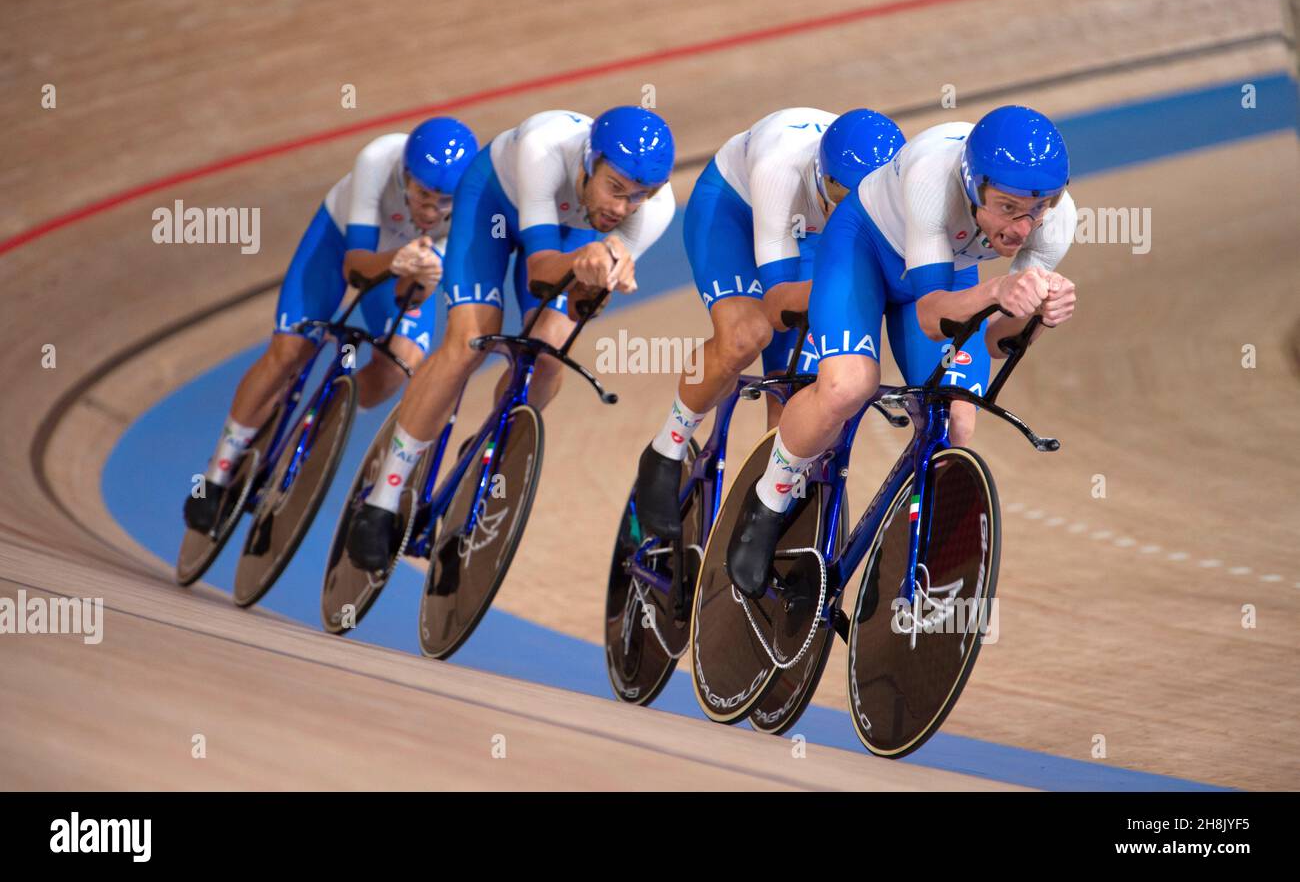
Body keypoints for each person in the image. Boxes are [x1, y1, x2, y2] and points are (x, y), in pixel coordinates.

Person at [725, 105, 1079, 598]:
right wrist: (999, 290)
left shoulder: (1056, 221)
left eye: (1037, 209)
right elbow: (931, 317)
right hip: (867, 248)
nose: (1023, 228)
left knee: (958, 419)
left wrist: (1039, 315)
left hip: (945, 267)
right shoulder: (932, 176)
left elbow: (998, 343)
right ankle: (767, 499)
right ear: (973, 184)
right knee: (849, 385)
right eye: (1007, 207)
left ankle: (898, 548)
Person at [345, 106, 677, 570]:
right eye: (615, 189)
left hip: (566, 239)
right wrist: (588, 256)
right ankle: (384, 497)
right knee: (468, 344)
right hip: (494, 205)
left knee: (548, 357)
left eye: (637, 197)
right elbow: (541, 272)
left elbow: (582, 306)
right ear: (588, 162)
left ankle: (486, 445)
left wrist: (595, 286)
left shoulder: (656, 211)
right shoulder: (544, 149)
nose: (622, 209)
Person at [182, 117, 477, 533]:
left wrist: (421, 276)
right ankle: (217, 471)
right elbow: (355, 267)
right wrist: (395, 261)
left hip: (405, 260)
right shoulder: (377, 159)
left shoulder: (472, 207)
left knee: (400, 364)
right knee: (291, 350)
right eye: (422, 195)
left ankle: (324, 422)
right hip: (342, 240)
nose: (430, 211)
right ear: (404, 175)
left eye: (443, 202)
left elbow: (411, 297)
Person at [633, 107, 904, 542]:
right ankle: (666, 449)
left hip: (813, 234)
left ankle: (764, 521)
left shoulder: (894, 191)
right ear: (826, 179)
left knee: (795, 394)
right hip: (733, 210)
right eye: (848, 200)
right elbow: (778, 305)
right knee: (746, 336)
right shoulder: (780, 169)